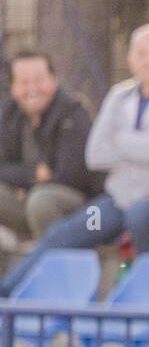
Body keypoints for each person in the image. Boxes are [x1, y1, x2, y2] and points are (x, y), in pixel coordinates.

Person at [0, 24, 149, 296]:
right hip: (120, 197)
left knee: (140, 217)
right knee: (62, 235)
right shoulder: (120, 95)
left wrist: (122, 140)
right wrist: (147, 144)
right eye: (141, 53)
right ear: (130, 59)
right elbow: (96, 153)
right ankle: (9, 295)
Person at [0, 50, 102, 243]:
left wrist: (26, 185)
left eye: (39, 80)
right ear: (13, 87)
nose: (32, 88)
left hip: (85, 209)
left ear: (54, 79)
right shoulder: (9, 115)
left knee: (42, 200)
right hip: (30, 199)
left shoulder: (73, 112)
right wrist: (32, 175)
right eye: (23, 82)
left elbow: (69, 176)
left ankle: (53, 266)